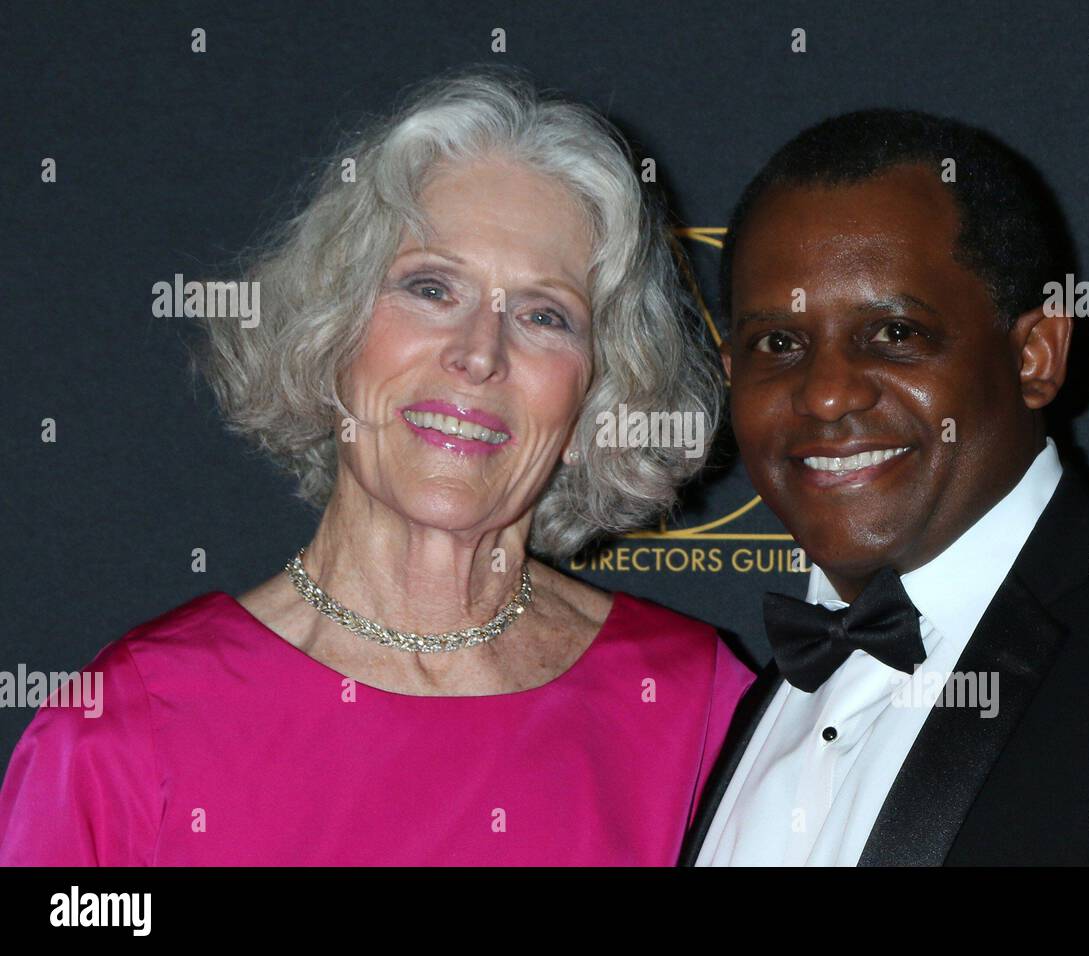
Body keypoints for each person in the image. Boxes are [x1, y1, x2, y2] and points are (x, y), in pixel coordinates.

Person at [0, 66, 754, 866]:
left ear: (595, 397)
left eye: (544, 315)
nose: (478, 353)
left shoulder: (694, 709)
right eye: (430, 288)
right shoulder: (129, 725)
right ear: (333, 340)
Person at [683, 108, 1089, 866]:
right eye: (778, 343)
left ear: (1036, 355)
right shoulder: (739, 711)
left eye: (895, 334)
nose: (827, 395)